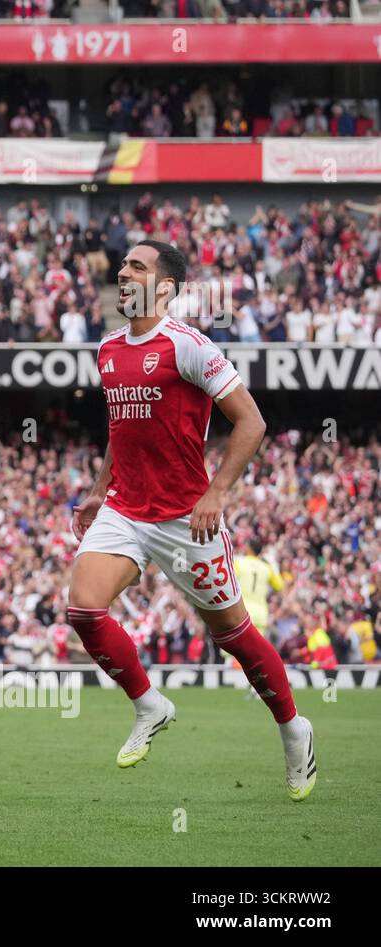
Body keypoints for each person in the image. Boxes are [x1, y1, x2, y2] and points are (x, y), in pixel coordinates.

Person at [68, 238, 315, 801]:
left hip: (186, 518)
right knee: (82, 607)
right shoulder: (108, 349)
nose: (123, 273)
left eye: (137, 266)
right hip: (126, 508)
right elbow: (121, 430)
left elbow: (251, 422)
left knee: (234, 636)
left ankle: (293, 728)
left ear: (166, 286)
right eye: (124, 264)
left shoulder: (189, 348)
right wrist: (99, 489)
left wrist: (217, 492)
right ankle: (149, 704)